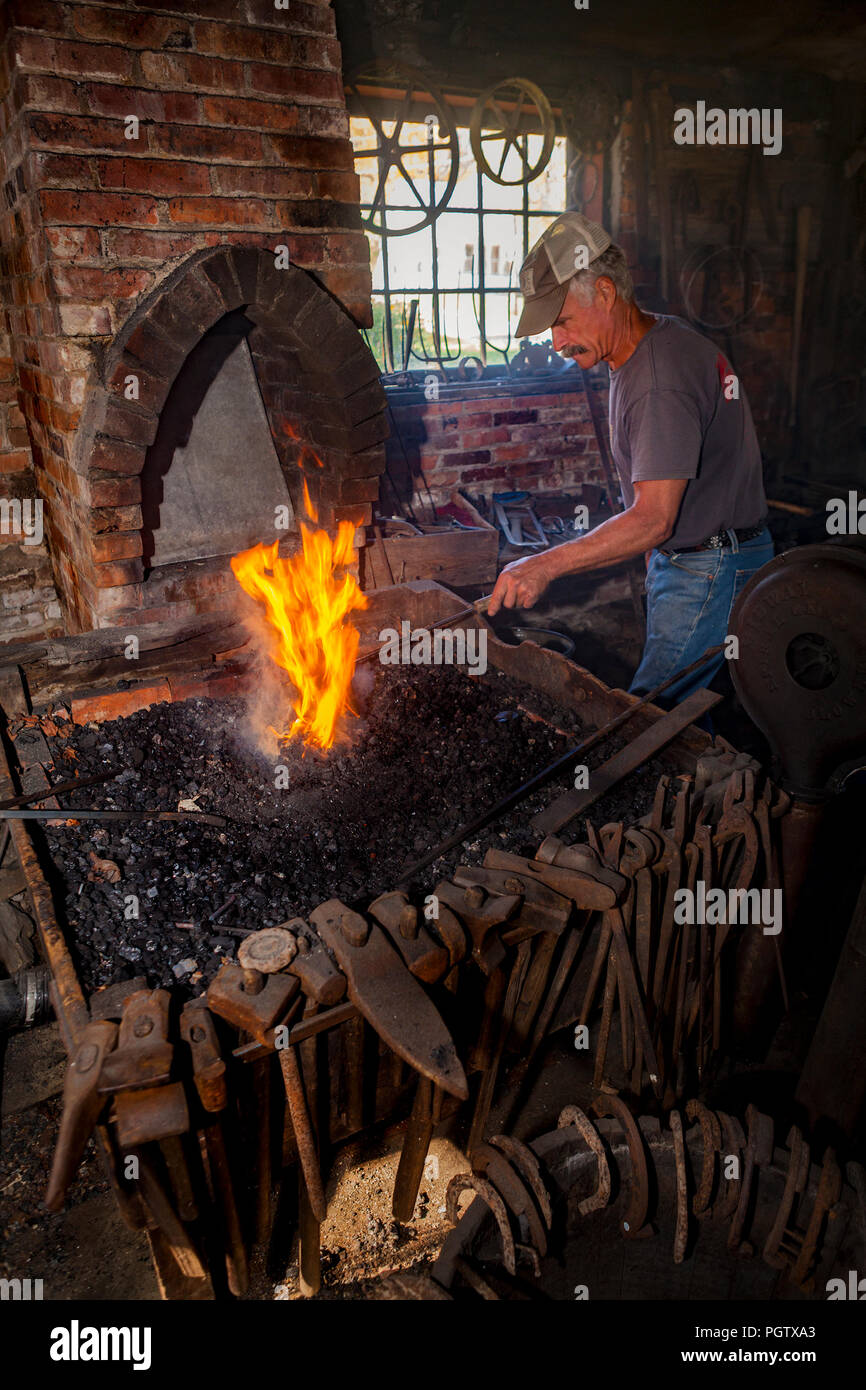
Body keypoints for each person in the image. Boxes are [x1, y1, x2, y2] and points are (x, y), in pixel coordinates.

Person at [487, 212, 773, 702]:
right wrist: (653, 549)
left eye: (562, 322)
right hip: (704, 556)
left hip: (710, 565)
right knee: (682, 715)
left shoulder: (658, 380)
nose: (556, 343)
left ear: (604, 293)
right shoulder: (658, 339)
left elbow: (655, 518)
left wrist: (543, 565)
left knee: (650, 722)